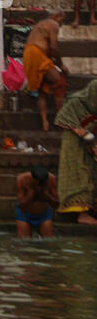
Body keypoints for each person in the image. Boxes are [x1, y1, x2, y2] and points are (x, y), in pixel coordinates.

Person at [55, 79, 97, 223]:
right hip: (73, 142)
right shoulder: (76, 101)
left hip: (91, 138)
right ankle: (82, 215)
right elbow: (63, 118)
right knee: (80, 173)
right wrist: (81, 132)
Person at [22, 11, 68, 131]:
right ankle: (61, 120)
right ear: (55, 16)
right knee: (60, 83)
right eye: (62, 19)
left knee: (42, 90)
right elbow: (53, 48)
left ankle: (45, 123)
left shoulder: (40, 24)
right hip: (37, 54)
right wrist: (61, 65)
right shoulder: (53, 24)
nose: (62, 23)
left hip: (28, 55)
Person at [15, 166, 58, 238]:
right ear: (32, 178)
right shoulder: (22, 179)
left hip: (44, 214)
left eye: (42, 184)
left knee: (49, 242)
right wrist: (30, 194)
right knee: (24, 243)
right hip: (24, 215)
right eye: (37, 183)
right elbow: (22, 207)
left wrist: (46, 195)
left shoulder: (51, 179)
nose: (39, 186)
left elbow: (56, 205)